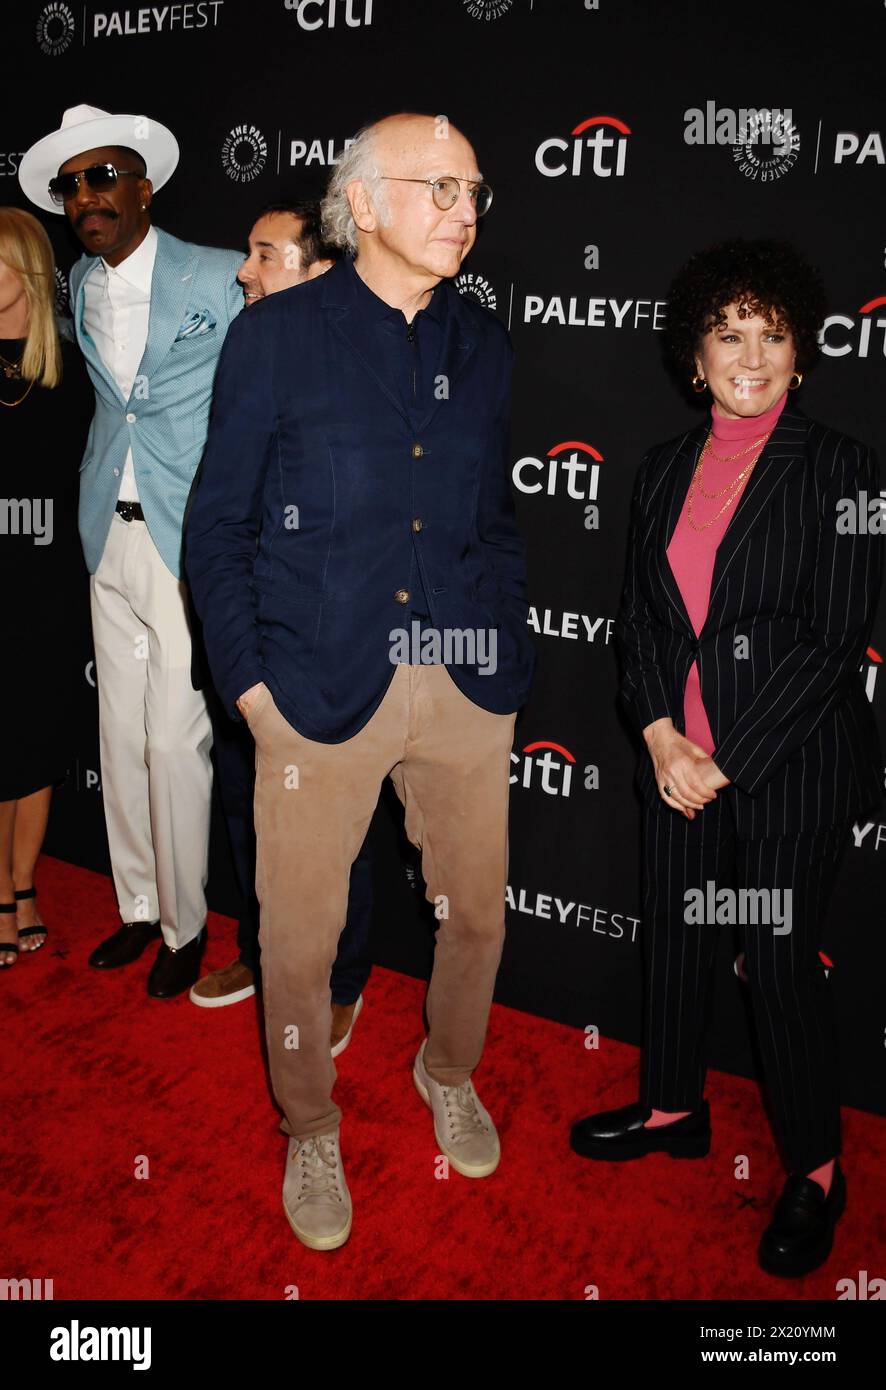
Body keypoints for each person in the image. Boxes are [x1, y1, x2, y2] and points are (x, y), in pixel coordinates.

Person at [185, 112, 536, 1250]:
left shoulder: (485, 345)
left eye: (472, 188)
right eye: (438, 188)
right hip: (314, 687)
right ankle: (308, 1125)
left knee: (473, 914)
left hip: (463, 683)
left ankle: (449, 1068)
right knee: (293, 941)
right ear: (366, 203)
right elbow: (219, 526)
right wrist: (249, 689)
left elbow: (494, 520)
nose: (465, 208)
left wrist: (499, 650)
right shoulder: (275, 337)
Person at [570, 239, 883, 1279]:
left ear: (800, 354)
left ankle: (814, 1171)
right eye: (726, 335)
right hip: (677, 760)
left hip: (786, 767)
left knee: (779, 968)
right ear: (692, 356)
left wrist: (726, 757)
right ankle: (672, 1107)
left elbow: (835, 638)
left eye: (771, 335)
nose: (749, 355)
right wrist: (662, 734)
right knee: (677, 939)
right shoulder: (661, 469)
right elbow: (645, 624)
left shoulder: (840, 468)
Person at [18, 105, 243, 997]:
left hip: (189, 538)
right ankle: (139, 907)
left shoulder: (221, 276)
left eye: (103, 176)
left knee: (175, 739)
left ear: (144, 186)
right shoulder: (75, 287)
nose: (87, 197)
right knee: (119, 731)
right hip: (102, 532)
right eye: (72, 185)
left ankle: (187, 926)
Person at [188, 199, 372, 1058]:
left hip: (329, 648)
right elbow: (219, 508)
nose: (243, 271)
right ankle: (262, 955)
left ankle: (341, 979)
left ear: (320, 272)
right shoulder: (247, 347)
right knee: (242, 806)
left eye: (265, 254)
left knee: (342, 830)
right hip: (241, 633)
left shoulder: (363, 370)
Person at [0, 207, 93, 967]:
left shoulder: (71, 364)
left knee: (37, 739)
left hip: (51, 580)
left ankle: (23, 885)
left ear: (28, 267)